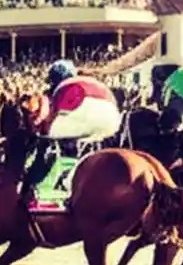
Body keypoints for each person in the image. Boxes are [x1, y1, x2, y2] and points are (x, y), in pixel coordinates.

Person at [23, 60, 121, 212]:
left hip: (80, 120)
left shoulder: (61, 90)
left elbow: (46, 119)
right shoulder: (89, 81)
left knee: (45, 142)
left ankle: (32, 191)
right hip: (112, 120)